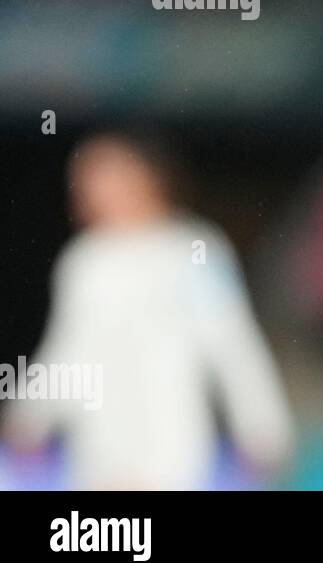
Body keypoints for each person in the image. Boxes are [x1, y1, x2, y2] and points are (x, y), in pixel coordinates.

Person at [3, 127, 295, 489]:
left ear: (142, 176)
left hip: (170, 441)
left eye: (100, 174)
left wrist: (262, 426)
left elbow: (230, 343)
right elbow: (67, 349)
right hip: (98, 443)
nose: (87, 188)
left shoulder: (193, 251)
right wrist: (29, 416)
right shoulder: (86, 260)